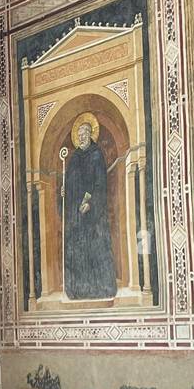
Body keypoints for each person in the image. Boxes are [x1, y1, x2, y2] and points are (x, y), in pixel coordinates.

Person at [62, 114, 117, 300]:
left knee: (95, 248)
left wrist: (90, 203)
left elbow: (100, 183)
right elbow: (70, 182)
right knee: (76, 249)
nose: (82, 135)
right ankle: (77, 290)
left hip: (93, 215)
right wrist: (65, 191)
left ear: (91, 133)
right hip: (76, 216)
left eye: (85, 132)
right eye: (79, 133)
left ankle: (101, 289)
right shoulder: (74, 157)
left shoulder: (96, 154)